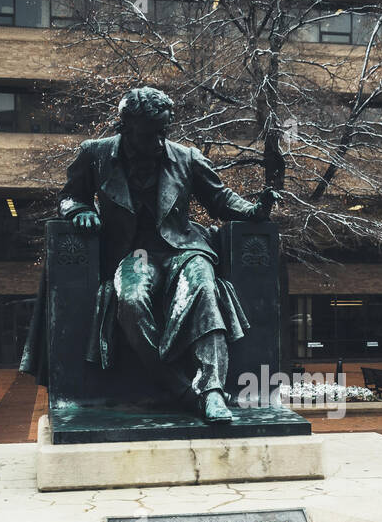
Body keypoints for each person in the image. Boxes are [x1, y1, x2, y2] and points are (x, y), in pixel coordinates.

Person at [58, 87, 278, 423]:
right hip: (134, 255)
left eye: (164, 131)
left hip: (184, 249)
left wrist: (253, 210)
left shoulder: (186, 157)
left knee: (204, 291)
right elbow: (70, 197)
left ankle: (212, 391)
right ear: (126, 128)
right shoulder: (96, 154)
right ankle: (181, 390)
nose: (160, 142)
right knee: (130, 302)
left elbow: (220, 200)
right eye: (151, 134)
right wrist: (79, 211)